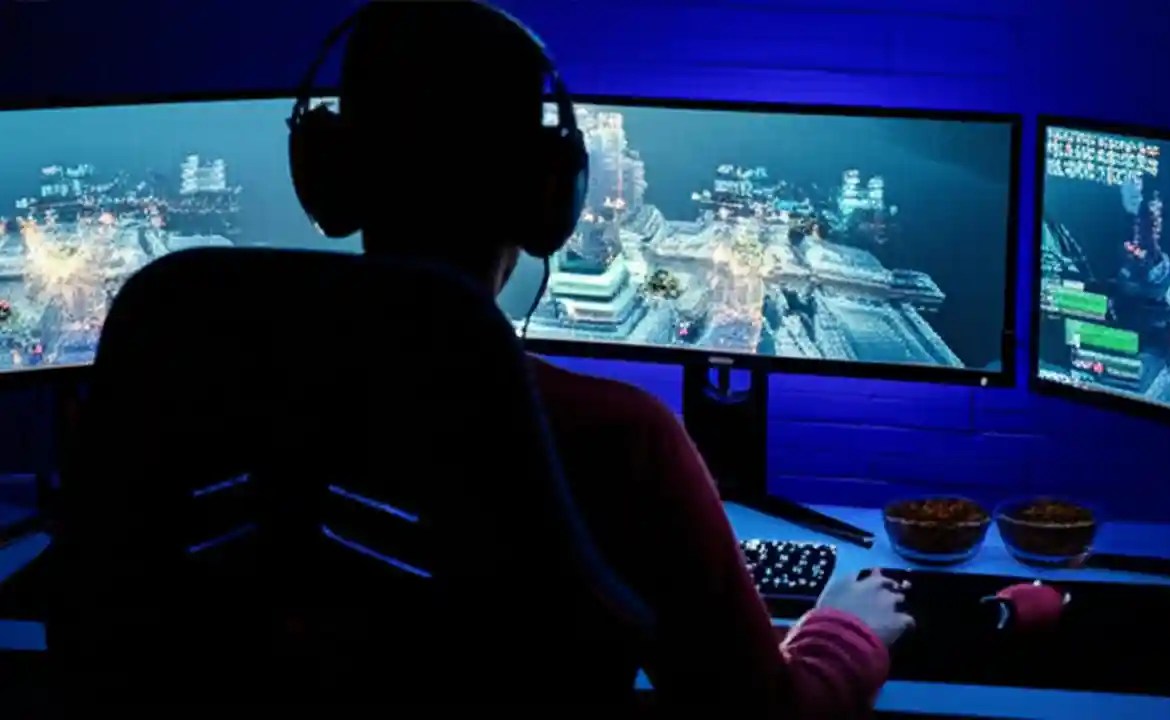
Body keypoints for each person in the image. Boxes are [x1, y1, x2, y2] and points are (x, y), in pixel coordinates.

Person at [298, 1, 915, 714]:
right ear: (548, 195)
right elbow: (765, 713)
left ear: (330, 178)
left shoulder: (244, 397)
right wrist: (848, 625)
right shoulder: (612, 436)